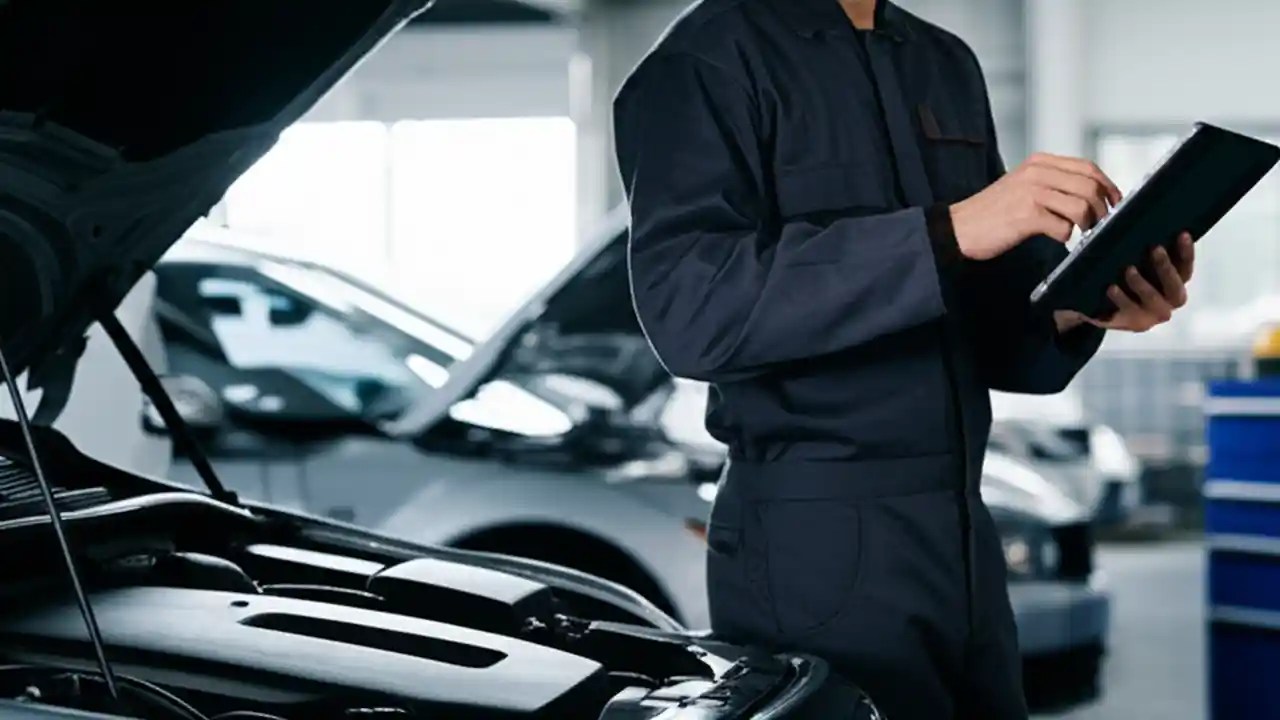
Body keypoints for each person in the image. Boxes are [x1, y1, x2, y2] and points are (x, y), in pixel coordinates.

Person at [612, 0, 1195, 718]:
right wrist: (953, 229)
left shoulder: (942, 61)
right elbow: (692, 313)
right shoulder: (702, 63)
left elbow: (982, 319)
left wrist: (1081, 306)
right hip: (813, 541)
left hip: (962, 529)